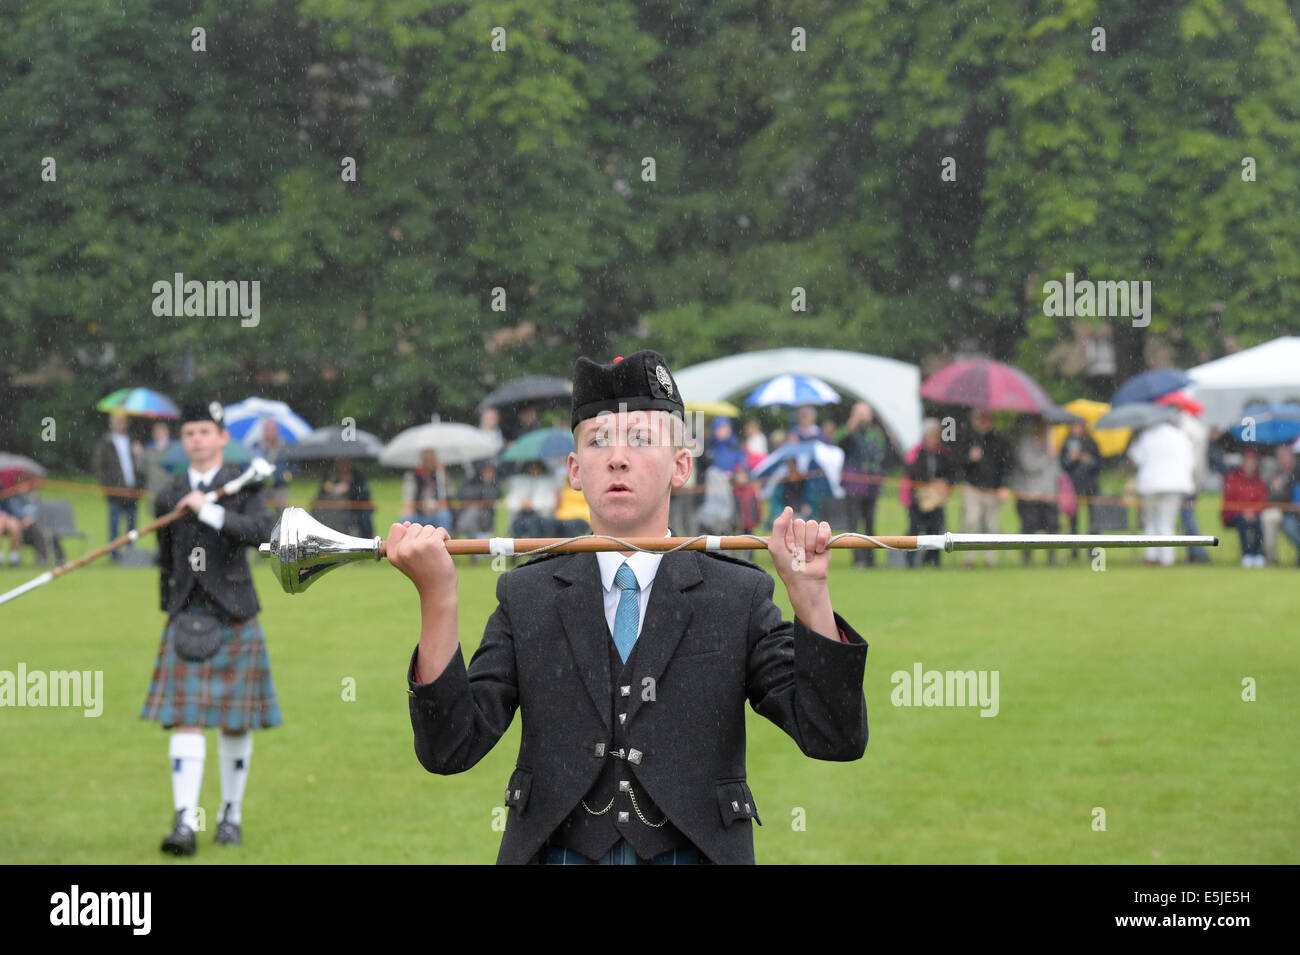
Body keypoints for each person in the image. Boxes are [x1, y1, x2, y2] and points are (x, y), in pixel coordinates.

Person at [393, 349, 867, 864]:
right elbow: (449, 748)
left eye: (640, 440)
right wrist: (437, 598)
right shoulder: (527, 595)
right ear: (575, 470)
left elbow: (833, 735)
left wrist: (811, 599)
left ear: (680, 465)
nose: (616, 457)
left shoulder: (736, 595)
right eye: (598, 442)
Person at [140, 399, 281, 855]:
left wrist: (210, 511)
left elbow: (263, 532)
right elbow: (166, 559)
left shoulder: (243, 486)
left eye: (205, 432)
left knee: (235, 725)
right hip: (187, 614)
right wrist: (170, 606)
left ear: (222, 438)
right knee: (186, 719)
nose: (197, 440)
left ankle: (230, 815)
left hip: (235, 612)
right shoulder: (169, 495)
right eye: (189, 434)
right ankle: (184, 822)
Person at [1127, 420, 1195, 566]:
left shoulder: (1147, 436)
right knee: (1167, 522)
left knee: (1151, 521)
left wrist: (1135, 440)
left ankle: (1152, 555)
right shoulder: (1181, 435)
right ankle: (1167, 558)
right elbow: (1190, 461)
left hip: (1151, 484)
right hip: (1175, 484)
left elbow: (1136, 457)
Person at [955, 409, 1013, 568]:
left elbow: (1006, 465)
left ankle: (990, 558)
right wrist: (970, 459)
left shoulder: (1000, 441)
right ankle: (969, 557)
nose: (983, 421)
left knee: (991, 525)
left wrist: (1004, 486)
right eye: (980, 418)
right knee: (971, 521)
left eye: (986, 418)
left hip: (992, 489)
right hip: (972, 488)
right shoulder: (967, 438)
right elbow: (958, 463)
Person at [838, 402, 888, 568]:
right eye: (858, 413)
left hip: (871, 484)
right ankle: (858, 559)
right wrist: (849, 428)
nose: (861, 417)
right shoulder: (848, 433)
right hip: (853, 485)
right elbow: (838, 443)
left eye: (864, 413)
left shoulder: (875, 435)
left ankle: (870, 559)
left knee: (869, 522)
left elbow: (879, 456)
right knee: (854, 522)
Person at [92, 408, 145, 561]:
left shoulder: (133, 441)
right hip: (115, 491)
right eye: (116, 422)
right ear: (111, 424)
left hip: (132, 490)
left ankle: (130, 553)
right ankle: (114, 554)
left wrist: (139, 484)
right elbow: (99, 467)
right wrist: (109, 485)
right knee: (114, 523)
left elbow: (141, 466)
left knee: (132, 524)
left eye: (122, 422)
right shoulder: (106, 442)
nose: (119, 425)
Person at [905, 419, 956, 568]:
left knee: (935, 530)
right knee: (914, 530)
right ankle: (911, 561)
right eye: (932, 435)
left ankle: (933, 560)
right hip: (917, 499)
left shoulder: (943, 453)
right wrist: (929, 481)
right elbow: (912, 472)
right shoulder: (917, 452)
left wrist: (944, 483)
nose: (935, 438)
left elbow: (951, 472)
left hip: (937, 500)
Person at [1012, 422, 1062, 565]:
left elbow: (1056, 470)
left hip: (1049, 495)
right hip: (1029, 494)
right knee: (1029, 525)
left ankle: (1052, 557)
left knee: (1053, 525)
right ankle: (1027, 558)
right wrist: (1046, 456)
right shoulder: (1026, 444)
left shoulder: (1051, 445)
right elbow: (1029, 465)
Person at [1059, 419, 1101, 559]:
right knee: (1073, 520)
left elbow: (1098, 464)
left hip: (1090, 485)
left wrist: (1087, 460)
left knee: (1094, 520)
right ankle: (1074, 551)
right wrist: (1071, 459)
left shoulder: (1091, 442)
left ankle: (1093, 551)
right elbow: (1063, 464)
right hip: (1073, 486)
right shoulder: (1066, 443)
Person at [1221, 449, 1269, 567]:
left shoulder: (1259, 482)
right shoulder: (1232, 478)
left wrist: (1253, 512)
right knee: (1242, 523)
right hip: (1233, 515)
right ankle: (1246, 554)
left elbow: (1262, 501)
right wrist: (1243, 511)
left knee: (1259, 523)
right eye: (1247, 462)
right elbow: (1229, 500)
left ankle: (1257, 554)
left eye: (1253, 462)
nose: (1250, 465)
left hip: (1254, 515)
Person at [314, 458, 374, 539]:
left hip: (354, 513)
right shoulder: (330, 476)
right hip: (332, 513)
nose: (342, 466)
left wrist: (349, 488)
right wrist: (333, 490)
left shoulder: (358, 477)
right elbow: (321, 496)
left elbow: (363, 495)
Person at [1261, 445, 1300, 566]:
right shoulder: (1274, 474)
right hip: (1286, 512)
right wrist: (1276, 488)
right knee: (1286, 525)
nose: (1283, 460)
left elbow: (1290, 494)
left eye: (1285, 457)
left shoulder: (1296, 472)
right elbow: (1268, 497)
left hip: (1292, 511)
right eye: (1280, 457)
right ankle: (1270, 558)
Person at [401, 449, 454, 528]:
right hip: (418, 513)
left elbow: (451, 493)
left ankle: (442, 538)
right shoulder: (413, 475)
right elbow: (408, 499)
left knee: (444, 515)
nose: (429, 462)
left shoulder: (440, 474)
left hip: (437, 513)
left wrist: (444, 477)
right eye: (426, 459)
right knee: (406, 518)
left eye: (431, 459)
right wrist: (413, 507)